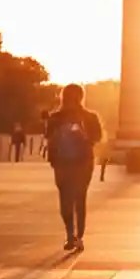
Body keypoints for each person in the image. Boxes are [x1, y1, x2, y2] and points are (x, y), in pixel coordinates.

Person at [46, 84, 103, 251]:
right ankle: (79, 237)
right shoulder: (90, 116)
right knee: (80, 198)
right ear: (81, 97)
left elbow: (49, 138)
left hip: (62, 162)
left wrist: (53, 159)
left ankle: (70, 234)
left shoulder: (55, 117)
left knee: (65, 199)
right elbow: (97, 137)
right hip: (83, 162)